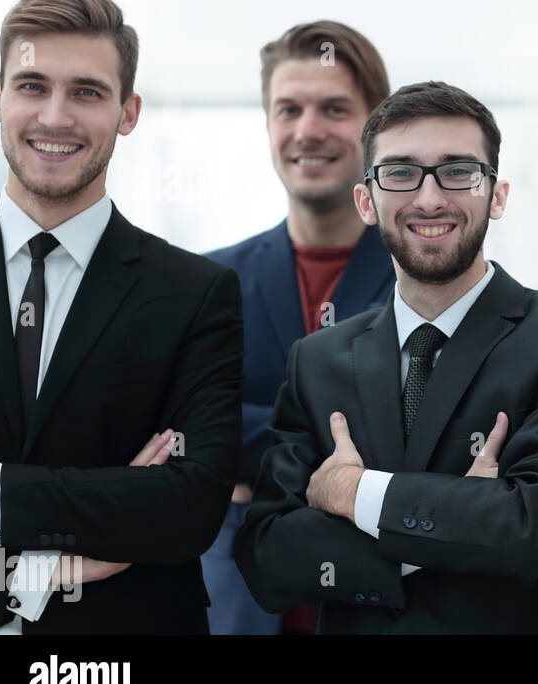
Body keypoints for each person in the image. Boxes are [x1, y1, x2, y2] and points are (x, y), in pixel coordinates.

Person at [234, 81, 538, 634]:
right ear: (366, 201)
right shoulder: (318, 359)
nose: (428, 198)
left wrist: (353, 493)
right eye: (400, 173)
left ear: (496, 194)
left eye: (458, 171)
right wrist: (463, 520)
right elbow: (267, 557)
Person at [0, 0, 241, 634]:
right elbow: (148, 507)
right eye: (32, 86)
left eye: (87, 92)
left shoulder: (196, 293)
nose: (55, 116)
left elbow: (187, 508)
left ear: (128, 113)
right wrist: (40, 571)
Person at [201, 20, 394, 636]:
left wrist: (248, 464)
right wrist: (339, 463)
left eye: (333, 108)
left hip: (381, 601)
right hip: (241, 605)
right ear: (267, 125)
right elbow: (193, 428)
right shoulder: (207, 284)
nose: (307, 130)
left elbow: (416, 436)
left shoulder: (426, 282)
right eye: (288, 109)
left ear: (375, 130)